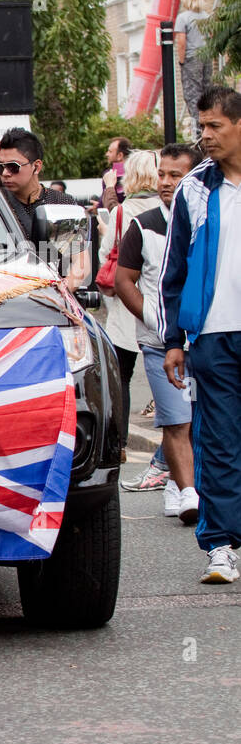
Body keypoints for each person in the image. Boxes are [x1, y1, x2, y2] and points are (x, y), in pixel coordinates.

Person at [159, 86, 241, 584]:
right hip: (212, 337)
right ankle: (222, 547)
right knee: (221, 444)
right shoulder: (194, 188)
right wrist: (173, 339)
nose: (204, 136)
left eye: (215, 126)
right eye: (202, 126)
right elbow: (175, 269)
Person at [114, 143, 203, 523]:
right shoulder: (143, 224)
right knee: (177, 419)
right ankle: (187, 493)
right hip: (158, 343)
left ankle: (179, 484)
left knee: (201, 420)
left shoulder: (206, 219)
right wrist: (154, 318)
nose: (165, 183)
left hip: (204, 340)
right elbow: (124, 280)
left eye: (175, 175)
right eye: (161, 174)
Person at [98, 150, 160, 459]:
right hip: (160, 300)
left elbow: (105, 255)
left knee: (121, 373)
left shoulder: (124, 212)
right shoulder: (169, 209)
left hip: (125, 303)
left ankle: (120, 442)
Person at [176, 0, 214, 138]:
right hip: (206, 56)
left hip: (191, 58)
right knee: (206, 92)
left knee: (192, 95)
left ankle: (198, 133)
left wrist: (181, 61)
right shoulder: (206, 16)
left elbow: (181, 42)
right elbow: (212, 37)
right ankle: (209, 126)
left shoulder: (183, 18)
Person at [101, 137, 132, 210]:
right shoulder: (135, 173)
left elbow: (107, 201)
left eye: (110, 151)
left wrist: (99, 206)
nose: (107, 154)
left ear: (120, 156)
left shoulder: (109, 175)